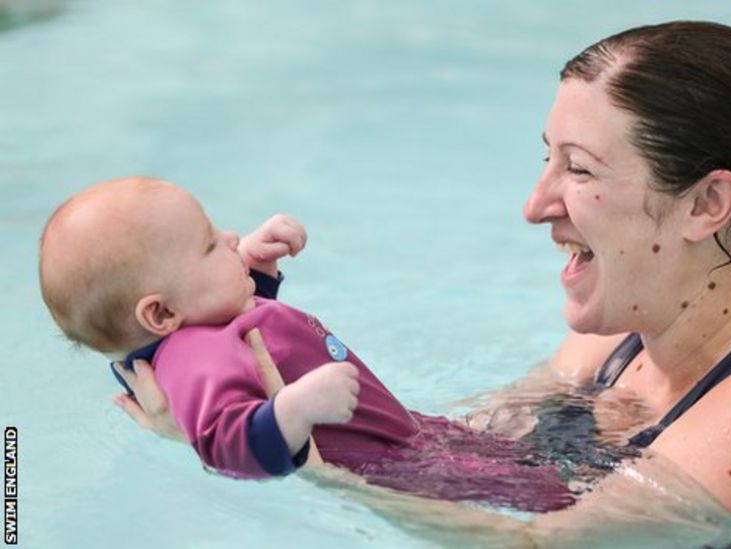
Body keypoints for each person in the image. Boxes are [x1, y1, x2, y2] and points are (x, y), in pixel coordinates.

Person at [113, 21, 731, 535]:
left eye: (581, 170)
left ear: (708, 202)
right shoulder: (664, 289)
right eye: (546, 161)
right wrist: (245, 381)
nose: (536, 205)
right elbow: (470, 442)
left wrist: (280, 455)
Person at [38, 176, 574, 512]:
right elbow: (226, 444)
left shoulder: (196, 329)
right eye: (209, 246)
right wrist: (294, 409)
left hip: (404, 433)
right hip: (390, 465)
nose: (229, 239)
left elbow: (249, 338)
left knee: (519, 456)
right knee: (551, 496)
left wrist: (254, 267)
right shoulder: (187, 361)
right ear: (161, 313)